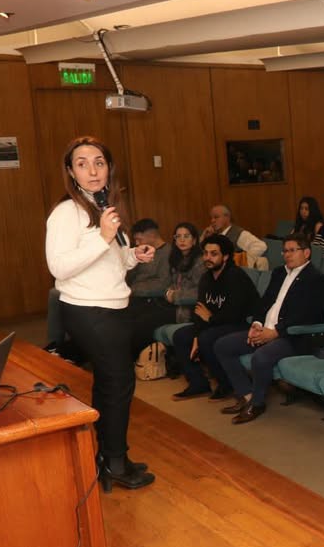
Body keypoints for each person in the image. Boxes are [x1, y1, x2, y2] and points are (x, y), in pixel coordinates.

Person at [45, 136, 156, 491]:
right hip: (88, 310)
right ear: (70, 172)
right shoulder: (67, 213)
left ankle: (108, 456)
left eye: (99, 162)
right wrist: (103, 237)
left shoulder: (103, 206)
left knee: (112, 384)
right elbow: (58, 267)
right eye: (82, 163)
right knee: (119, 383)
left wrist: (132, 255)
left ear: (109, 168)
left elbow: (115, 262)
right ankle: (115, 463)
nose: (92, 170)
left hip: (112, 306)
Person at [213, 234, 324, 424]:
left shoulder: (316, 279)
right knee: (223, 345)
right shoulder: (279, 273)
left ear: (306, 253)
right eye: (285, 251)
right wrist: (257, 324)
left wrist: (276, 332)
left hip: (293, 337)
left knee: (261, 357)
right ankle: (247, 396)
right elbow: (264, 302)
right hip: (265, 330)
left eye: (293, 250)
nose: (287, 255)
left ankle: (258, 404)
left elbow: (309, 316)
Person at [170, 234, 259, 401]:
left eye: (214, 254)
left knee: (207, 338)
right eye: (205, 253)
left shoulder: (236, 277)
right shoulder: (206, 277)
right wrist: (197, 332)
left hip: (241, 324)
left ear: (225, 256)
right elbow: (199, 310)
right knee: (181, 336)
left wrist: (209, 319)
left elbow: (234, 314)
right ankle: (198, 383)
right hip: (216, 323)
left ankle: (226, 384)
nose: (208, 258)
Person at [126, 218, 174, 356]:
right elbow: (131, 278)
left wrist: (132, 290)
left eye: (139, 239)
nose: (137, 244)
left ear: (152, 235)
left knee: (129, 322)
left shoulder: (168, 253)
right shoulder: (142, 252)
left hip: (153, 301)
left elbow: (162, 285)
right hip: (136, 297)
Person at [202, 204, 268, 269]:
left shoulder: (238, 233)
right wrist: (204, 237)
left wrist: (242, 260)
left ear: (227, 217)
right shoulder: (213, 235)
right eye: (211, 218)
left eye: (216, 217)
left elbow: (260, 246)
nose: (212, 221)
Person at [165, 222, 207, 324]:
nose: (182, 240)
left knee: (149, 321)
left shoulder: (200, 261)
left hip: (193, 308)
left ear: (194, 240)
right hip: (176, 306)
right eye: (178, 236)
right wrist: (168, 292)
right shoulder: (176, 259)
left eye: (186, 236)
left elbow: (201, 292)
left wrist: (175, 296)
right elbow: (170, 284)